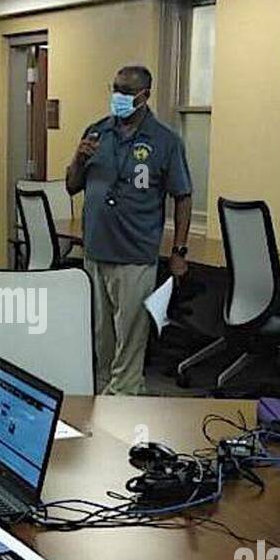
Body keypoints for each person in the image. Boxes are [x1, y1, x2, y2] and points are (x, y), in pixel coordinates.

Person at [66, 64, 193, 395]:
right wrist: (78, 159)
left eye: (125, 91)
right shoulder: (96, 132)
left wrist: (179, 251)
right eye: (115, 89)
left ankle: (125, 406)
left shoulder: (165, 141)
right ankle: (112, 397)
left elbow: (182, 197)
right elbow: (71, 186)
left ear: (144, 95)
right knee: (103, 341)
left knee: (130, 344)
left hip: (135, 254)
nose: (118, 97)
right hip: (95, 251)